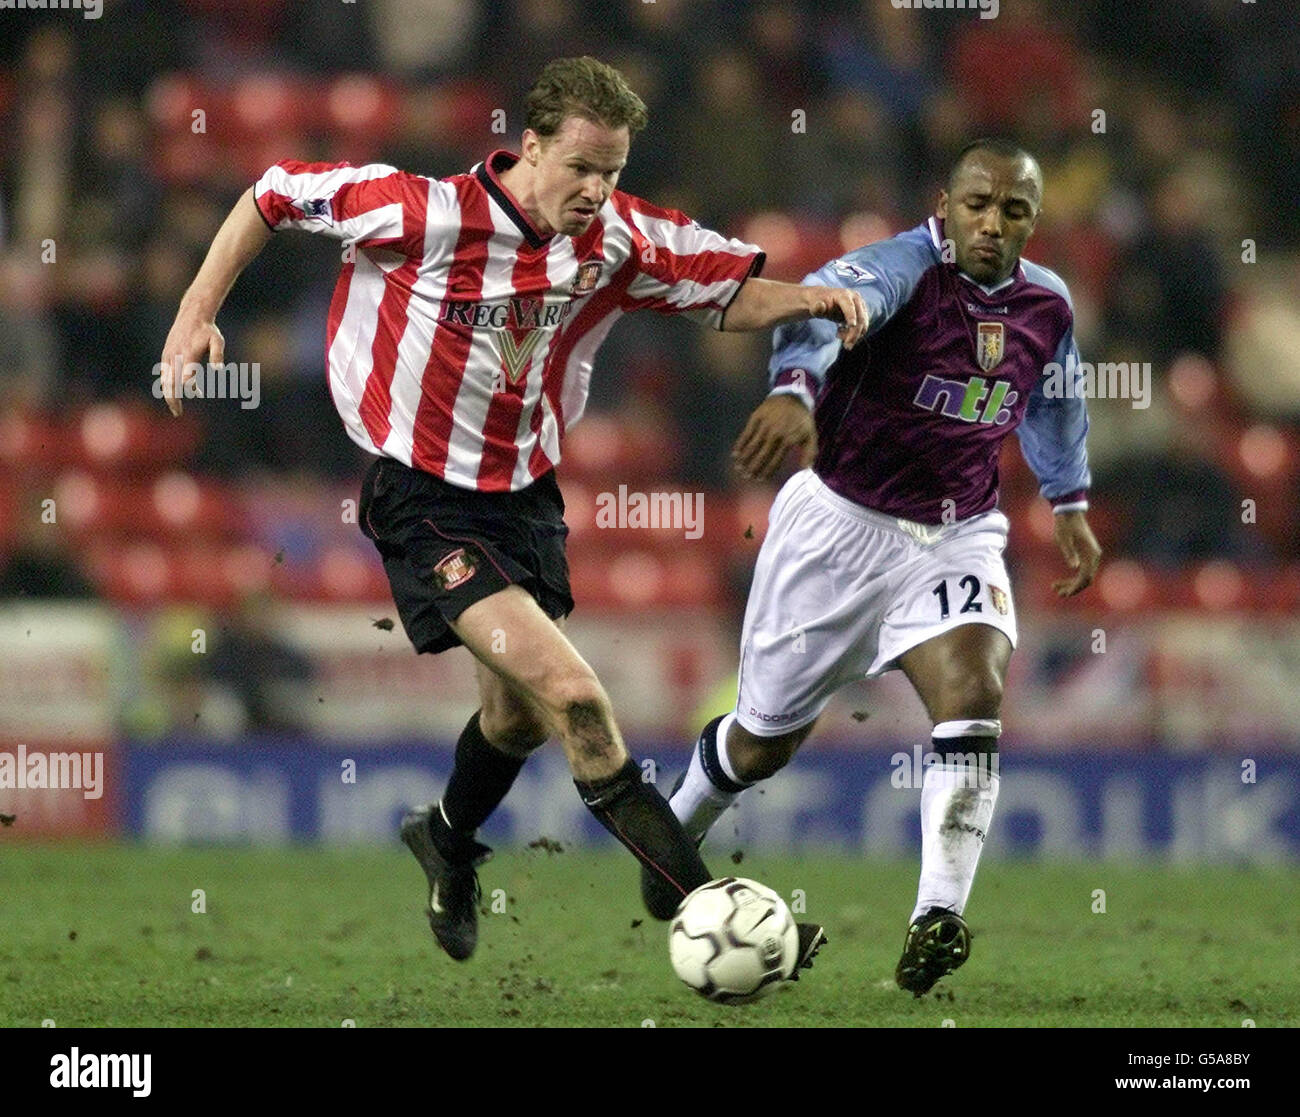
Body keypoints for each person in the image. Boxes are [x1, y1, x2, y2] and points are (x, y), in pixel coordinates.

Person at [158, 56, 866, 971]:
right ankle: (714, 907)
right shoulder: (423, 211)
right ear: (528, 148)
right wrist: (194, 311)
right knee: (575, 699)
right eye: (580, 167)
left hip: (525, 499)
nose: (595, 190)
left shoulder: (619, 238)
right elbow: (272, 192)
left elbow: (727, 292)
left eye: (612, 171)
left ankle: (446, 839)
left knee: (516, 719)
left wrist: (813, 297)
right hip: (421, 499)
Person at [644, 138, 1102, 996]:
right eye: (977, 204)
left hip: (957, 533)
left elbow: (1054, 396)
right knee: (761, 741)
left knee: (974, 690)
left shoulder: (1047, 304)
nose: (992, 224)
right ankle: (668, 836)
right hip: (838, 530)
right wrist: (793, 390)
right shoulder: (897, 271)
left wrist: (1068, 501)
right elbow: (820, 312)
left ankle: (937, 914)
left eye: (1013, 211)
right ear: (944, 202)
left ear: (1034, 221)